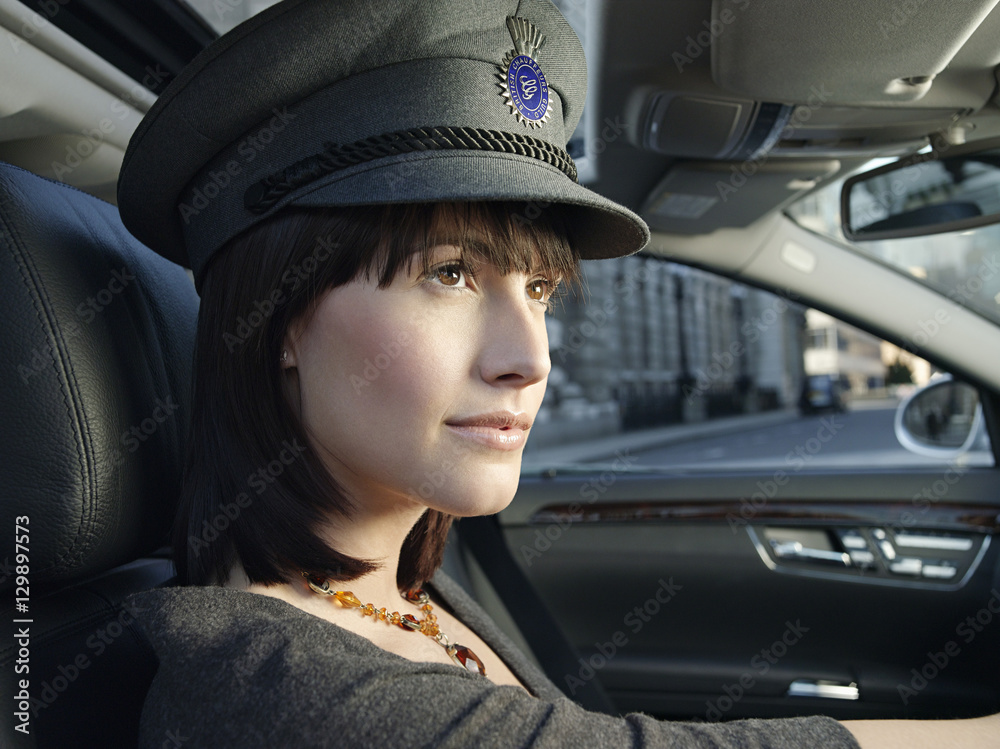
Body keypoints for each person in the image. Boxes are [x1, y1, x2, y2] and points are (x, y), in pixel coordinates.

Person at [117, 1, 1000, 746]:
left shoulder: (396, 589)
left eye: (538, 287)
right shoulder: (279, 695)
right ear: (279, 320)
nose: (531, 357)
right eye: (449, 273)